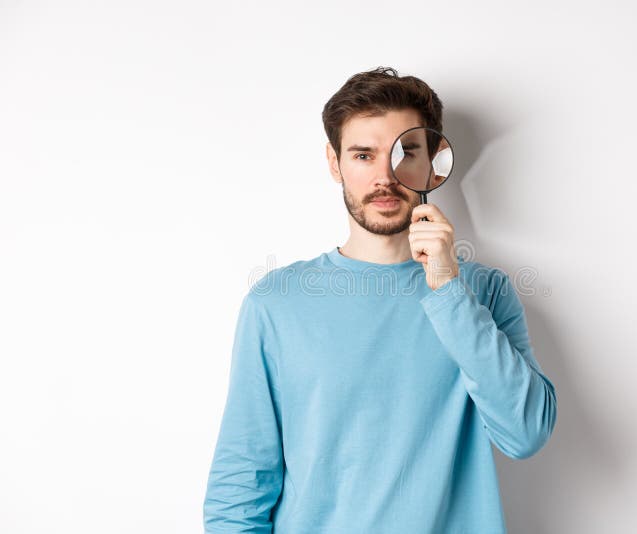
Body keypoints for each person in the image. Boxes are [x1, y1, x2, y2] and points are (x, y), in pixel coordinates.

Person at [203, 66, 557, 533]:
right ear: (335, 164)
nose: (385, 176)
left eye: (405, 152)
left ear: (433, 161)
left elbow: (526, 432)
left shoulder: (484, 293)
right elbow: (240, 487)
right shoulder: (276, 304)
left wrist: (449, 289)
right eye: (364, 155)